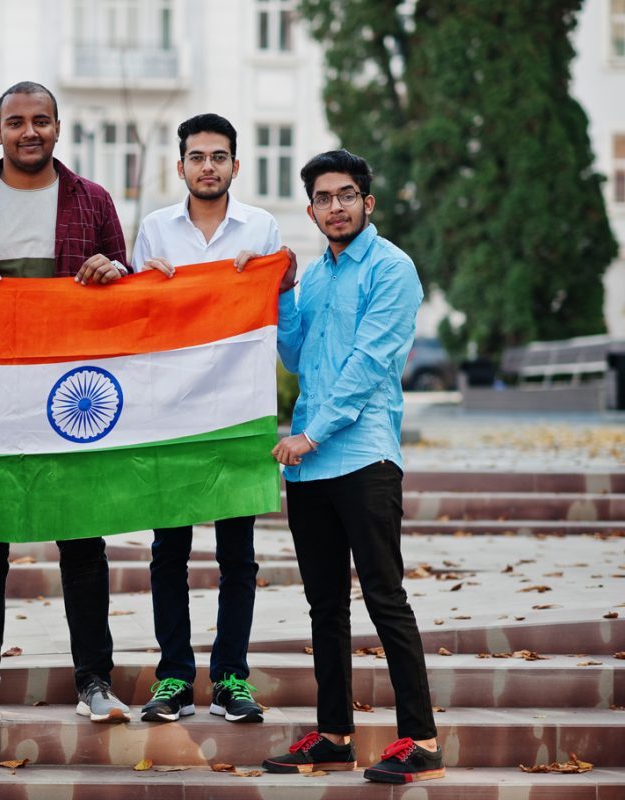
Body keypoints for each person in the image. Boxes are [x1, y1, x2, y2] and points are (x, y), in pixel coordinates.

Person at [0, 81, 132, 724]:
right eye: (17, 122)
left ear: (58, 127)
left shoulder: (92, 202)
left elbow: (129, 300)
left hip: (72, 399)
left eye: (41, 120)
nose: (29, 132)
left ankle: (95, 679)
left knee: (82, 541)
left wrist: (112, 274)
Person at [260, 149, 443, 783]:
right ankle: (334, 735)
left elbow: (368, 366)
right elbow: (294, 357)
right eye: (322, 198)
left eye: (345, 195)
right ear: (310, 209)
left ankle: (420, 739)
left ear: (368, 203)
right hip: (311, 469)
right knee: (324, 606)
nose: (334, 206)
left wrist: (308, 435)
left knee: (386, 597)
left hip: (363, 456)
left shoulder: (392, 269)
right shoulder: (315, 276)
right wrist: (282, 294)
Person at [131, 113, 289, 725]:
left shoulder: (262, 229)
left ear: (234, 166)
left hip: (236, 411)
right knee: (168, 550)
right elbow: (139, 324)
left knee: (237, 555)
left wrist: (279, 274)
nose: (207, 166)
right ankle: (173, 675)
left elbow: (277, 312)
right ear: (181, 166)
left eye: (218, 156)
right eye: (197, 156)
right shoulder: (153, 230)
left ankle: (230, 677)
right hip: (168, 414)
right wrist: (149, 285)